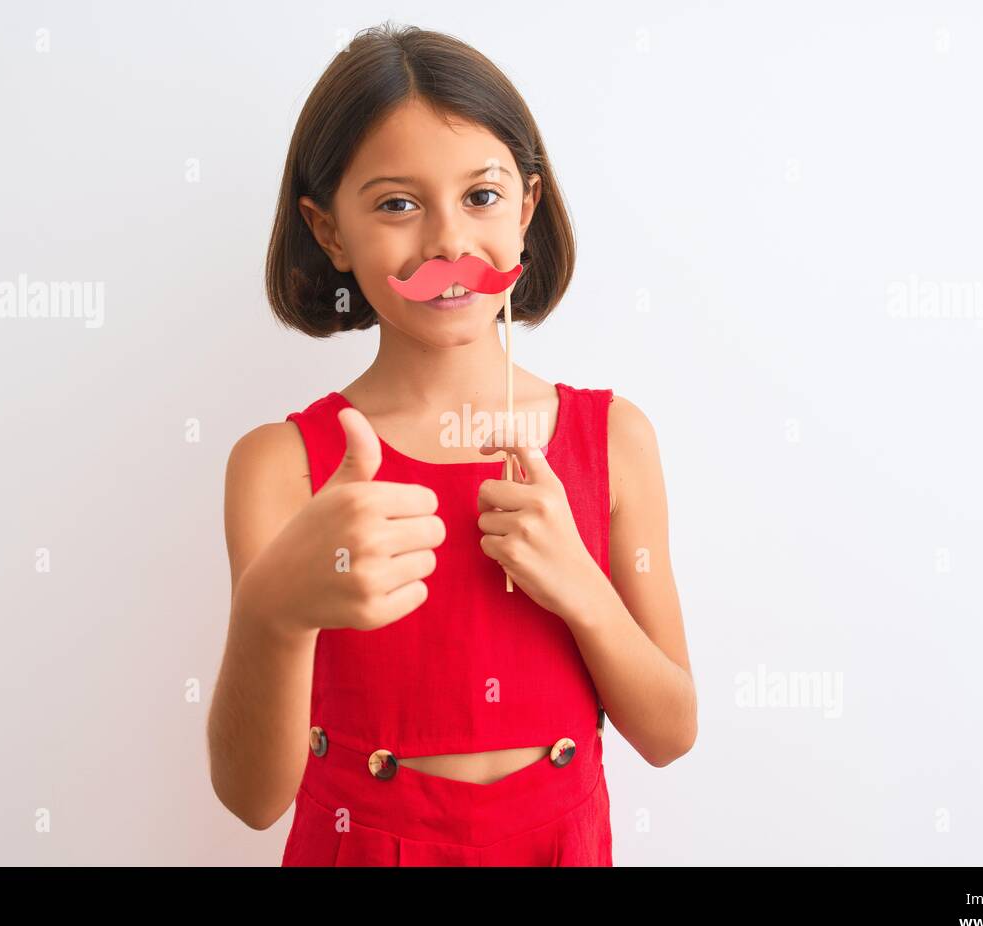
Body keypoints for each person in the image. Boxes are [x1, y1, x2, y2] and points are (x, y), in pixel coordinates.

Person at [208, 22, 695, 866]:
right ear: (329, 233)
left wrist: (580, 584)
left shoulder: (614, 438)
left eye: (481, 196)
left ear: (529, 209)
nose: (448, 243)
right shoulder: (279, 466)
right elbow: (253, 800)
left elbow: (670, 731)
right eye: (397, 203)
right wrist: (272, 611)